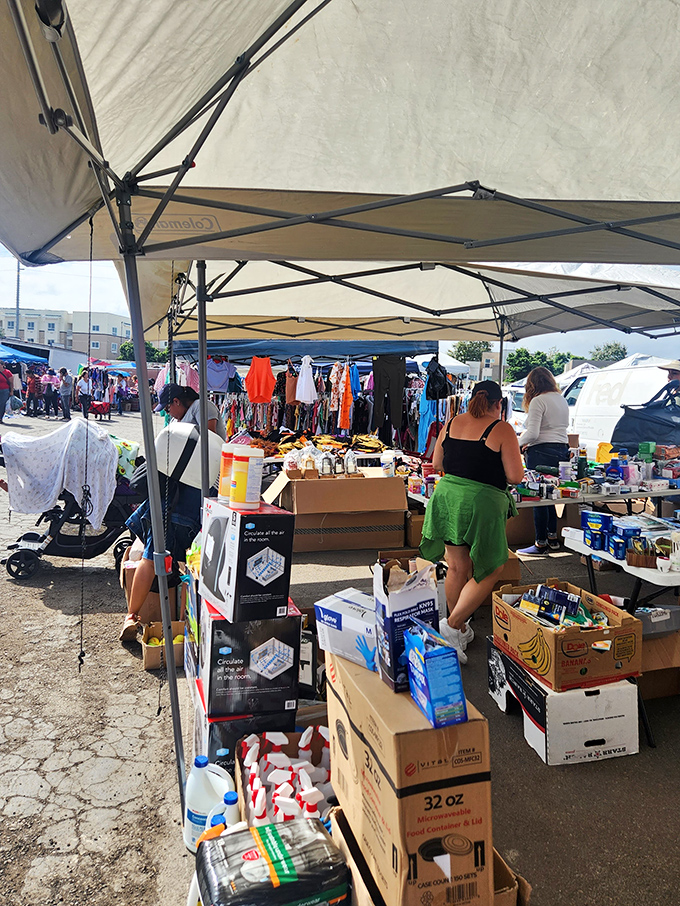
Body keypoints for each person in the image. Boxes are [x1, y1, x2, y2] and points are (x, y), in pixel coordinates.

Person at [420, 380, 524, 662]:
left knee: (456, 566)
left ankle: (460, 628)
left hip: (448, 498)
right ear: (498, 404)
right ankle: (453, 626)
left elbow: (438, 464)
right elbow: (515, 477)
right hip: (481, 502)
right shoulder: (502, 428)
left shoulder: (452, 422)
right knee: (492, 566)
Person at [120, 391, 224, 641]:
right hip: (192, 508)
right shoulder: (210, 449)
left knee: (150, 557)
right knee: (192, 565)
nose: (168, 413)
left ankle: (131, 616)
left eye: (168, 408)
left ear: (178, 401)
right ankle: (184, 624)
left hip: (166, 503)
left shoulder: (182, 429)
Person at [516, 367, 570, 555]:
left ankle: (540, 542)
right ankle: (553, 538)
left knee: (538, 496)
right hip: (562, 450)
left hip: (541, 452)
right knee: (551, 496)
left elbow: (533, 433)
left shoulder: (538, 400)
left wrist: (514, 443)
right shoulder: (560, 399)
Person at [155, 382, 227, 440]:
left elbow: (210, 438)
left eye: (167, 409)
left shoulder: (200, 406)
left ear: (176, 401)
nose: (167, 413)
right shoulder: (174, 420)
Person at [0, 360, 14, 424]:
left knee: (2, 404)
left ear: (3, 365)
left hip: (4, 390)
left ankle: (0, 418)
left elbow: (11, 383)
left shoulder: (7, 372)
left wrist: (11, 391)